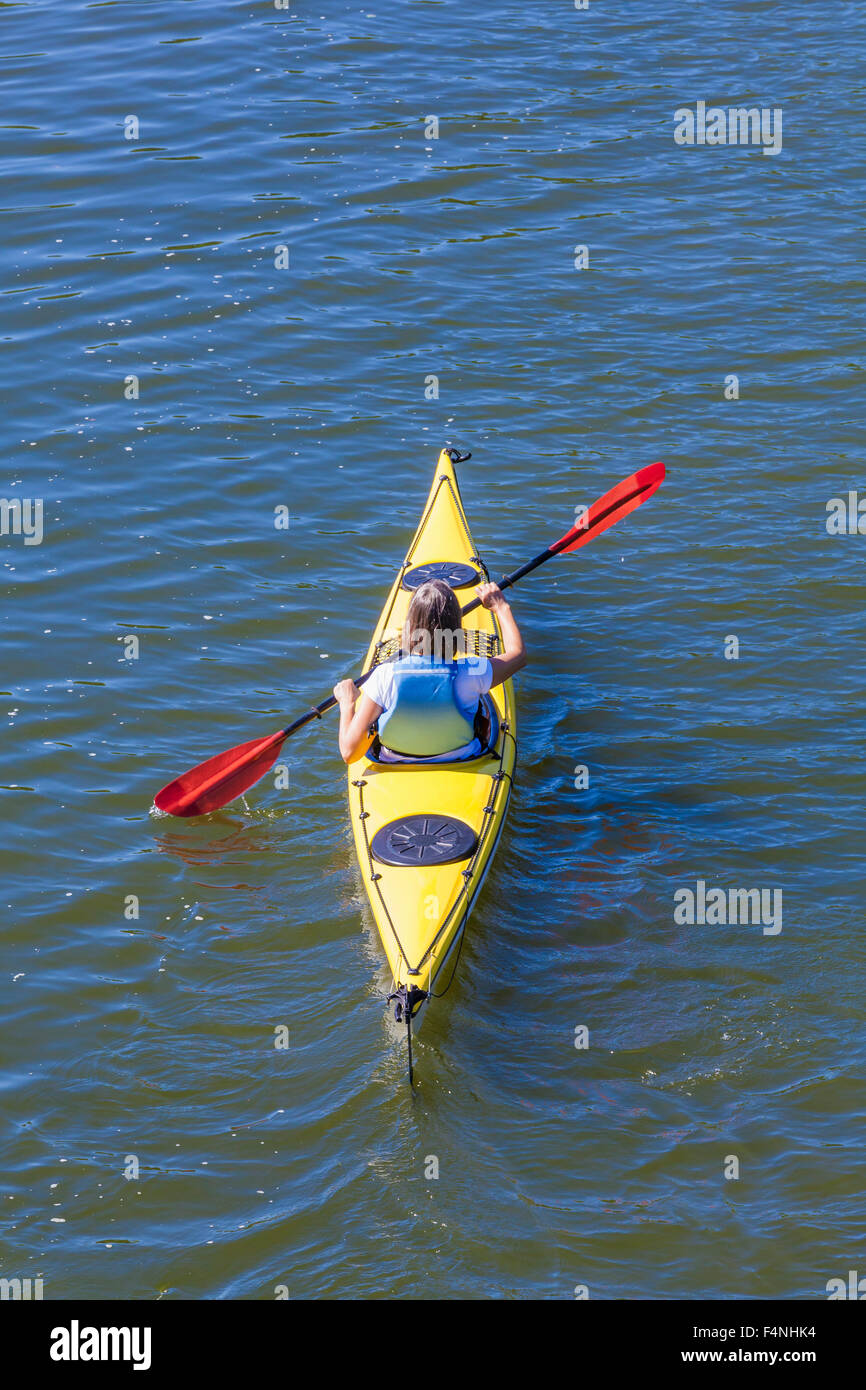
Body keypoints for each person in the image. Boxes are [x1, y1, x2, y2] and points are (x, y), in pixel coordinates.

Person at [334, 578, 526, 765]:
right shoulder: (473, 671)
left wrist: (347, 703)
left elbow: (349, 753)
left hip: (393, 762)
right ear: (456, 628)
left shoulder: (384, 675)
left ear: (410, 627)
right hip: (461, 760)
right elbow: (518, 655)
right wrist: (501, 607)